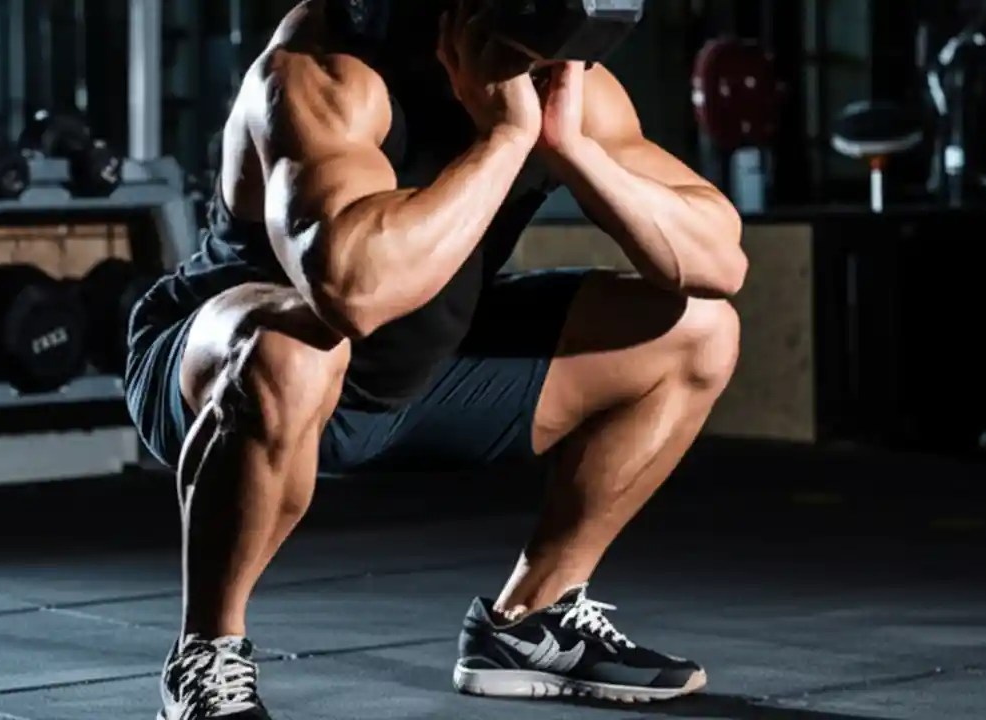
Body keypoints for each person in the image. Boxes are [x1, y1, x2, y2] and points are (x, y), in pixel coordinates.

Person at [125, 1, 746, 717]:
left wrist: (572, 149)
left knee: (701, 329)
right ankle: (207, 652)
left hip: (420, 364)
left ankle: (530, 622)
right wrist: (509, 140)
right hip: (226, 371)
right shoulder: (322, 72)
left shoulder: (553, 82)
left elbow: (720, 259)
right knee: (292, 350)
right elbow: (353, 292)